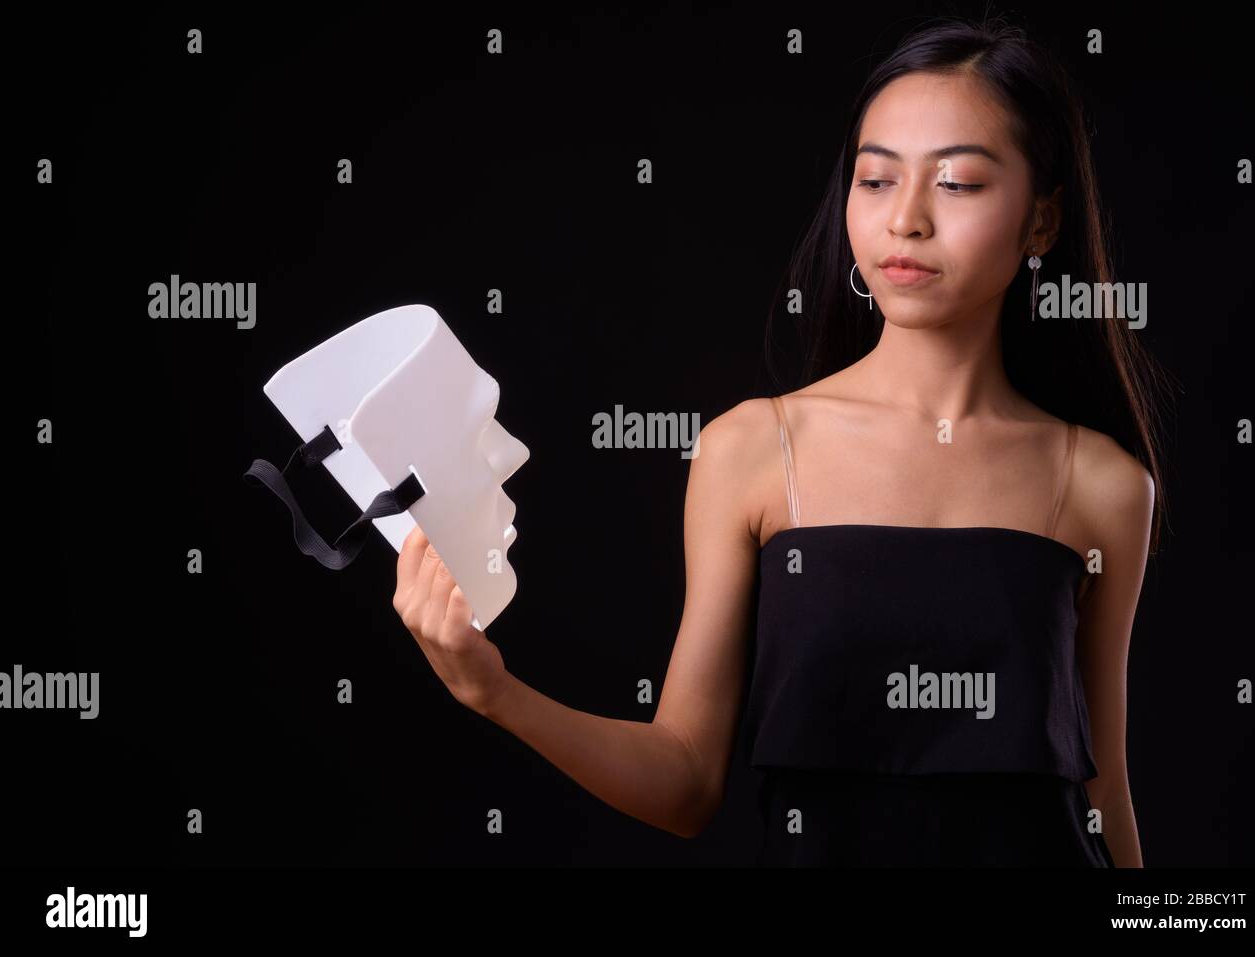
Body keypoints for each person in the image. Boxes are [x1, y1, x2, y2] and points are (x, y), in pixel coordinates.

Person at [391, 15, 1168, 867]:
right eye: (875, 181)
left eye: (958, 184)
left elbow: (1104, 794)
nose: (905, 220)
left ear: (1042, 223)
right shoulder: (753, 450)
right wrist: (492, 689)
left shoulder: (1101, 482)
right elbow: (686, 780)